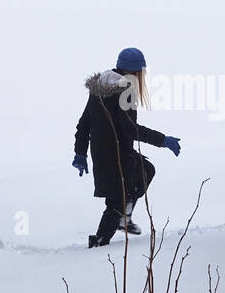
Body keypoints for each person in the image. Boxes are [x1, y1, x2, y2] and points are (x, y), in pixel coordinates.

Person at [73, 47, 181, 247]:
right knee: (117, 201)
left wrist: (80, 153)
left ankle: (123, 218)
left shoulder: (100, 89)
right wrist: (163, 140)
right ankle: (99, 243)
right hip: (117, 156)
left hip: (104, 154)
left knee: (144, 171)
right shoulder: (127, 90)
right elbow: (129, 129)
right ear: (136, 71)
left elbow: (84, 124)